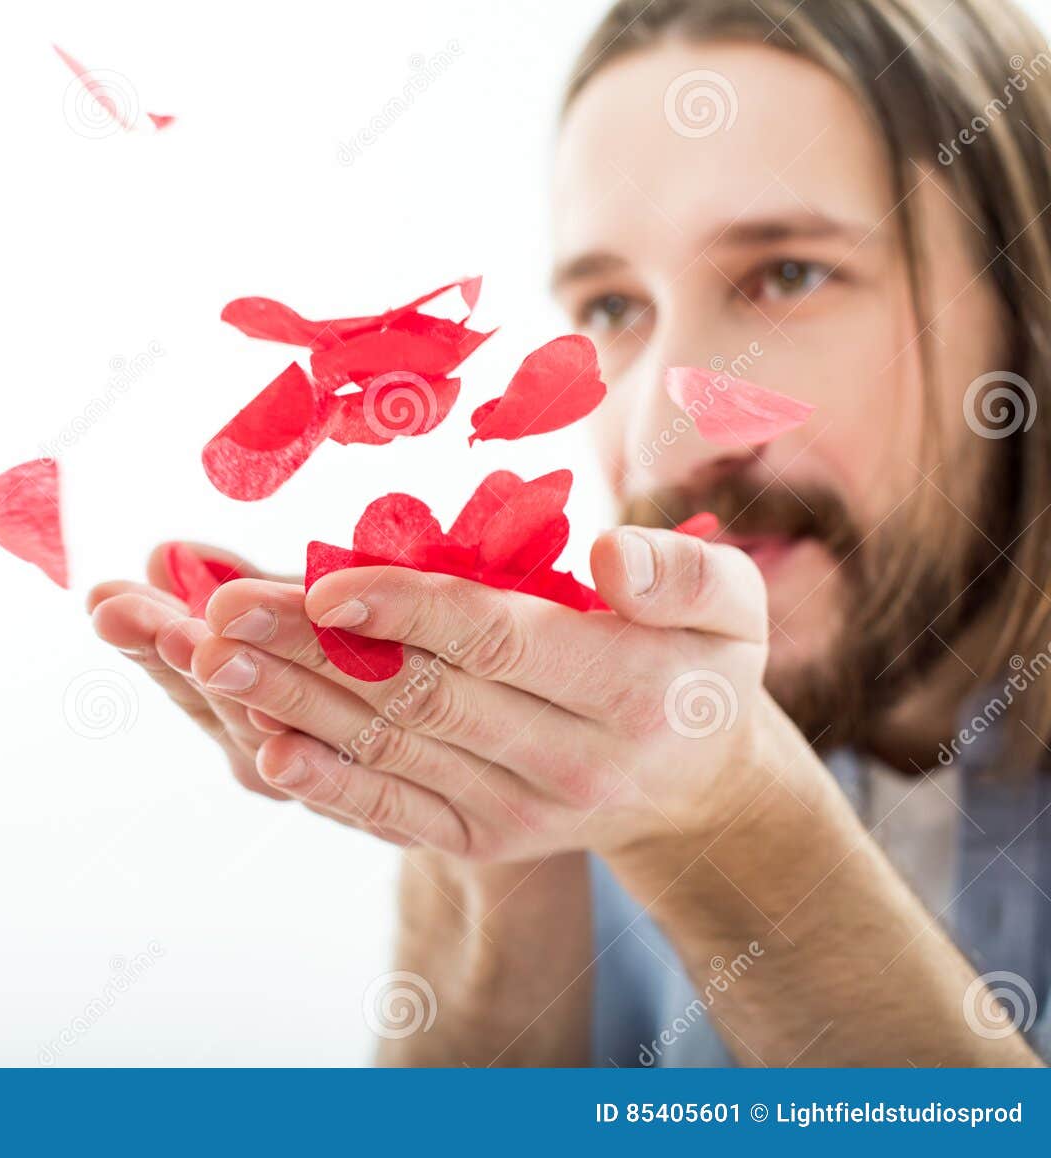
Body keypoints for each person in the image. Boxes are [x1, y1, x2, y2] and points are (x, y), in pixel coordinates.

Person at [87, 0, 1051, 1066]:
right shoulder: (623, 772)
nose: (659, 438)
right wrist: (491, 826)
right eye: (611, 307)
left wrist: (728, 828)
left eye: (788, 276)